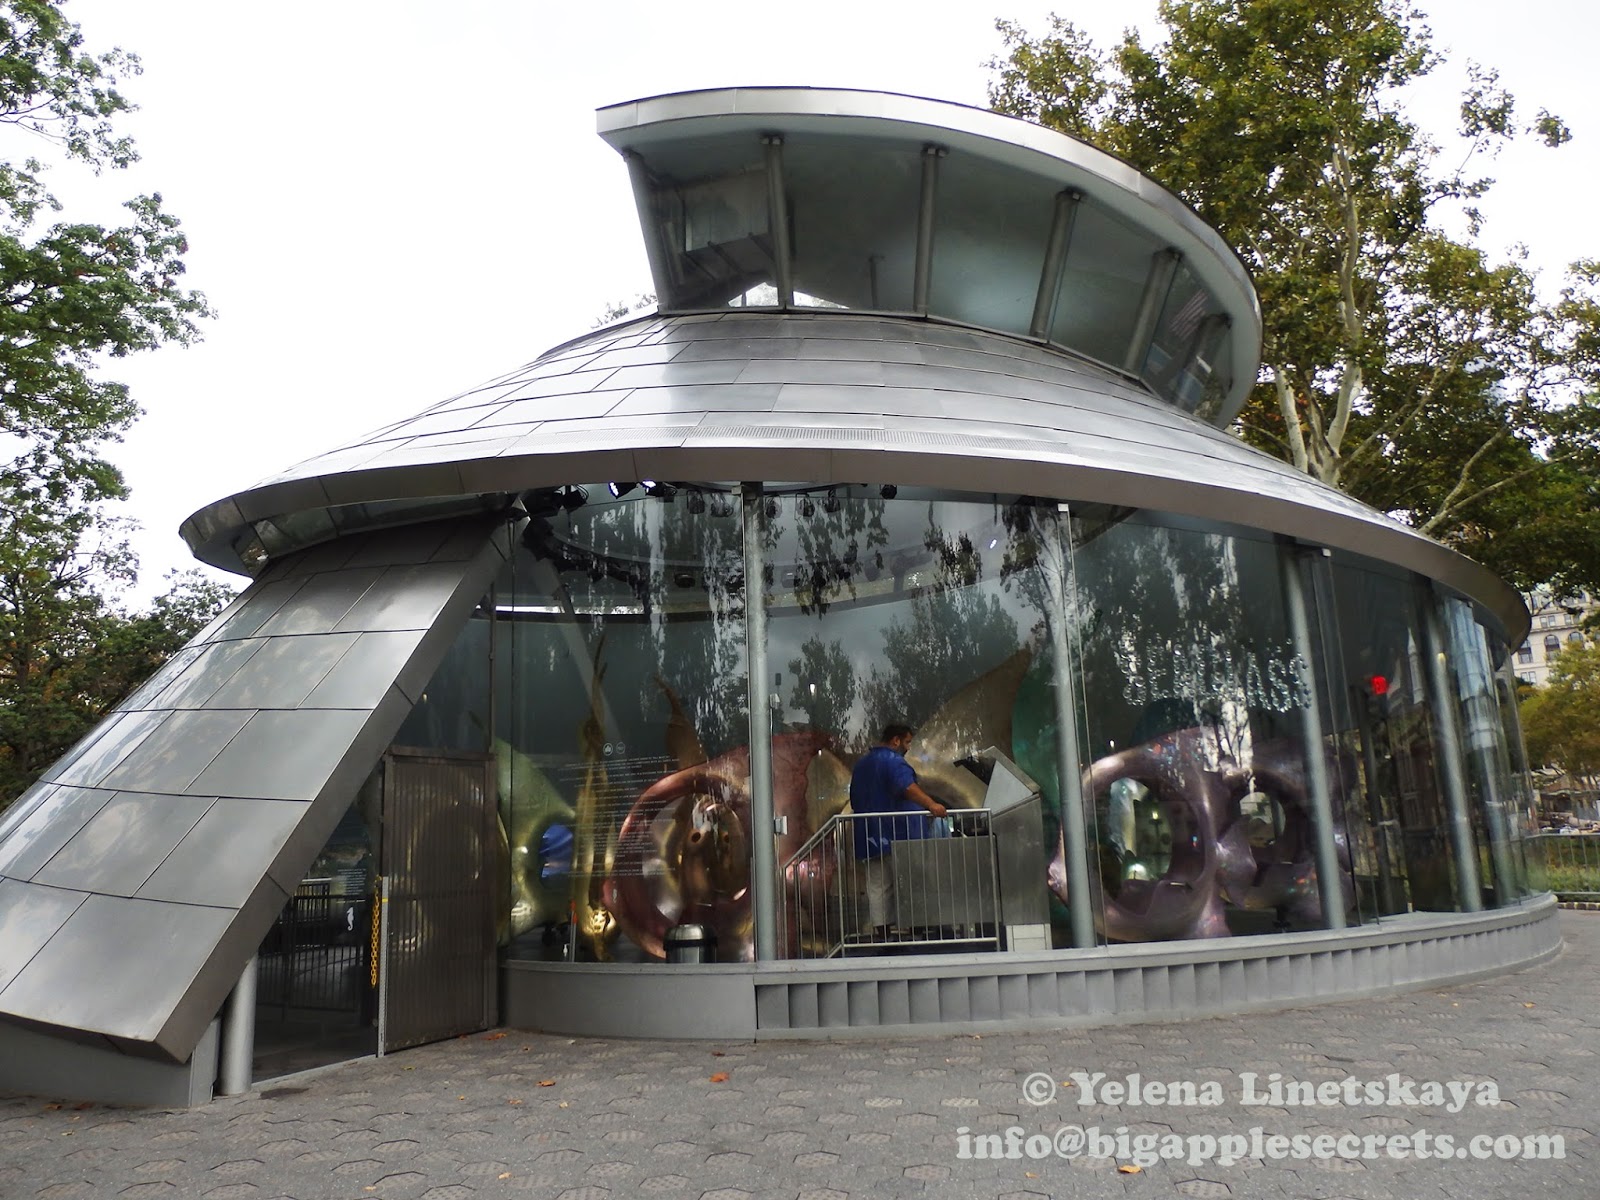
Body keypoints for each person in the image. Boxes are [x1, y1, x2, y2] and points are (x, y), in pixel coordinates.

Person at [849, 723, 947, 938]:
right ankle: (917, 929)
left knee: (878, 886)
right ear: (895, 740)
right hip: (900, 833)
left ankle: (883, 933)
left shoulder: (861, 765)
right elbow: (907, 787)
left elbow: (855, 799)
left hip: (869, 835)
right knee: (910, 881)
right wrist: (932, 804)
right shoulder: (893, 761)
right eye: (907, 741)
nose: (908, 747)